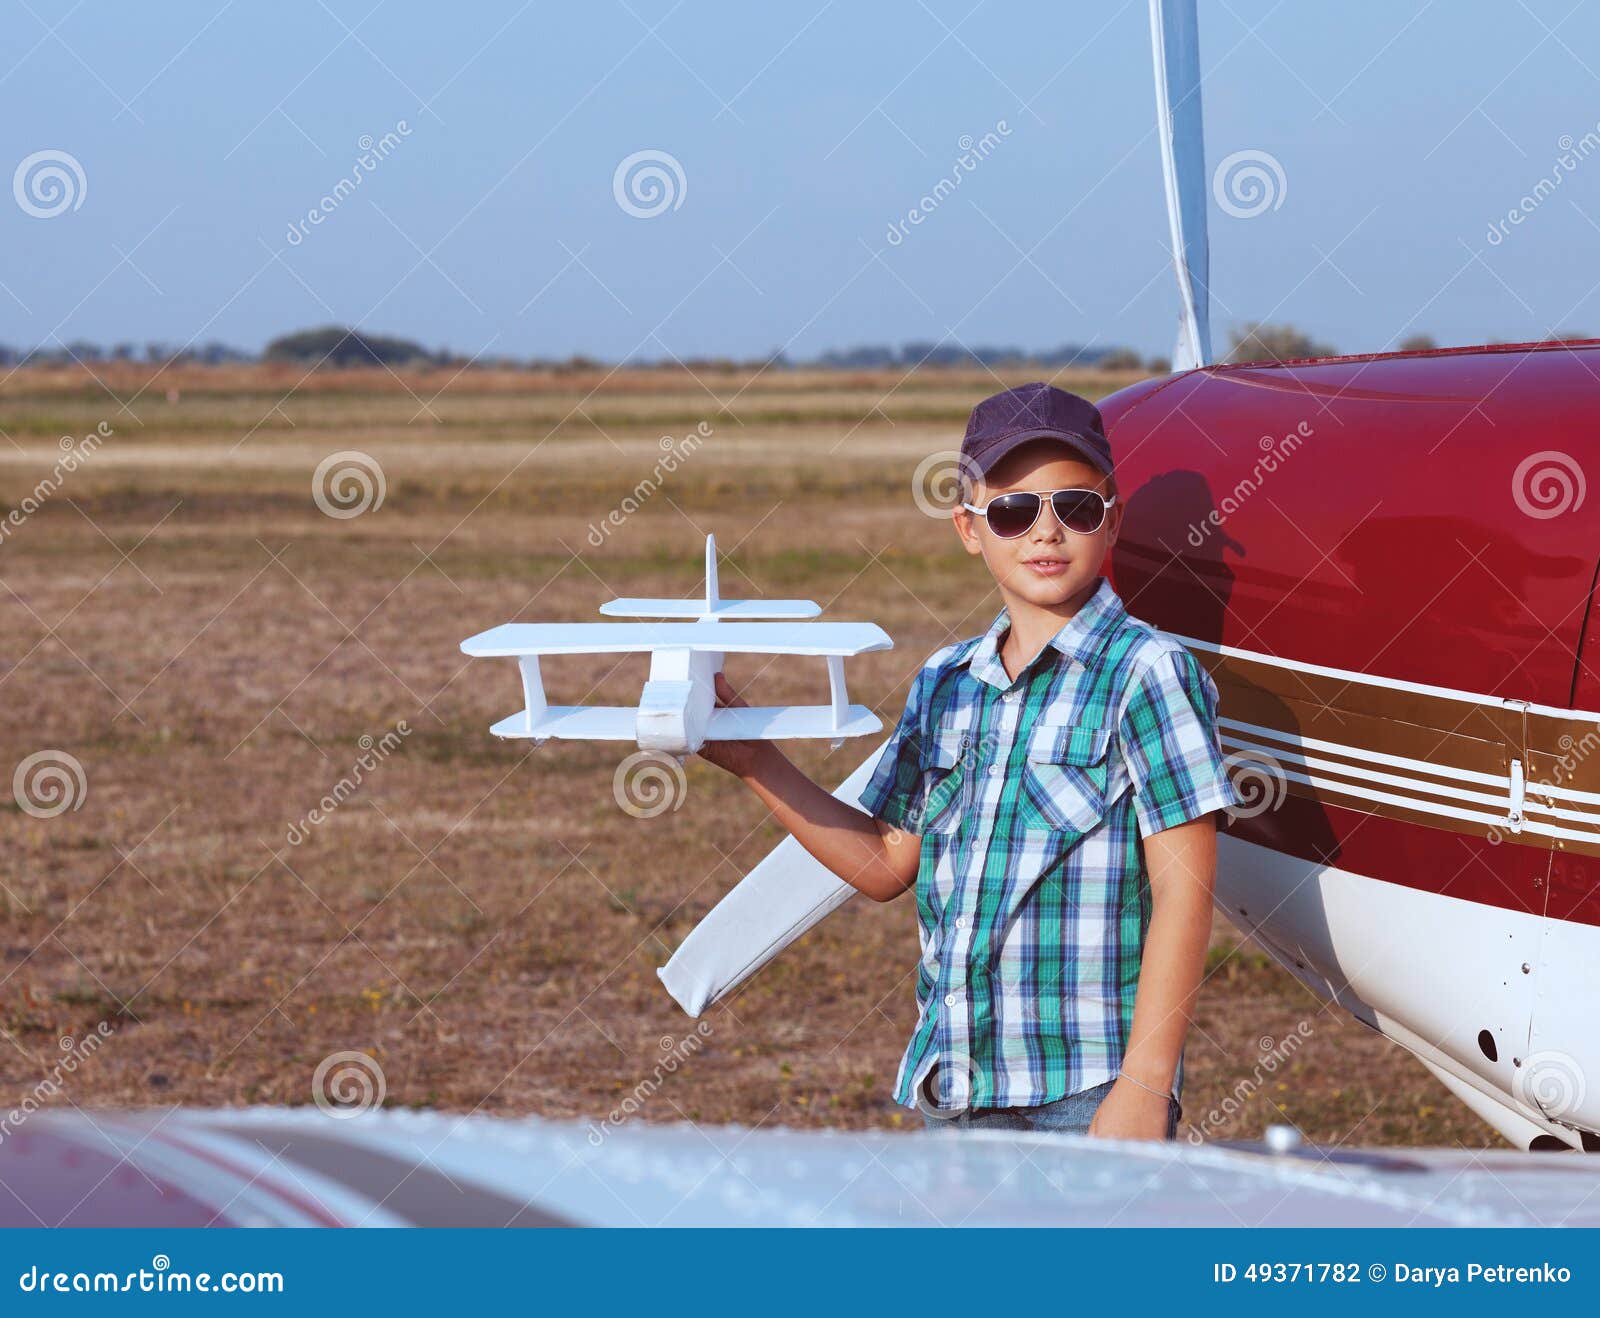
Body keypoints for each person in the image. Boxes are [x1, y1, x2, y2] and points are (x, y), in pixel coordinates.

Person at [698, 382, 1239, 1139]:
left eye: (1075, 508)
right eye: (1014, 512)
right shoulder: (947, 682)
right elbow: (889, 864)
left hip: (1086, 1090)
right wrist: (755, 762)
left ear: (1111, 522)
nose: (1045, 533)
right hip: (954, 1084)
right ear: (969, 528)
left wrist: (1145, 1084)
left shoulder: (1148, 674)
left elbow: (1184, 898)